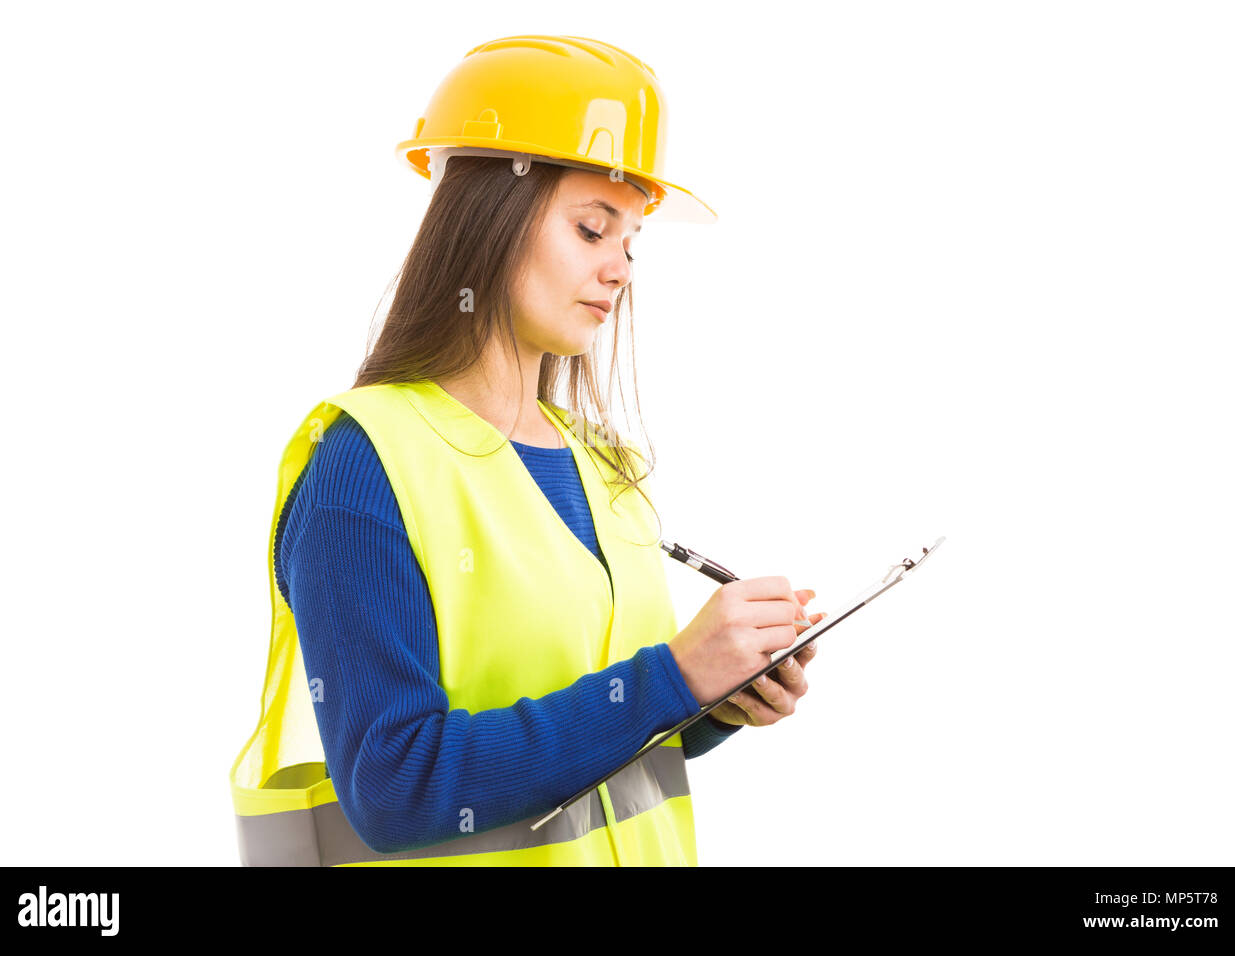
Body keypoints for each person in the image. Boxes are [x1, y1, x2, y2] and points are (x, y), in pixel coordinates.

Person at [229, 34, 824, 867]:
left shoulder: (602, 465)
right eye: (592, 228)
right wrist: (671, 679)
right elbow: (396, 789)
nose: (620, 268)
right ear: (488, 222)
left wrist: (713, 701)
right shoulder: (363, 465)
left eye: (631, 240)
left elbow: (595, 752)